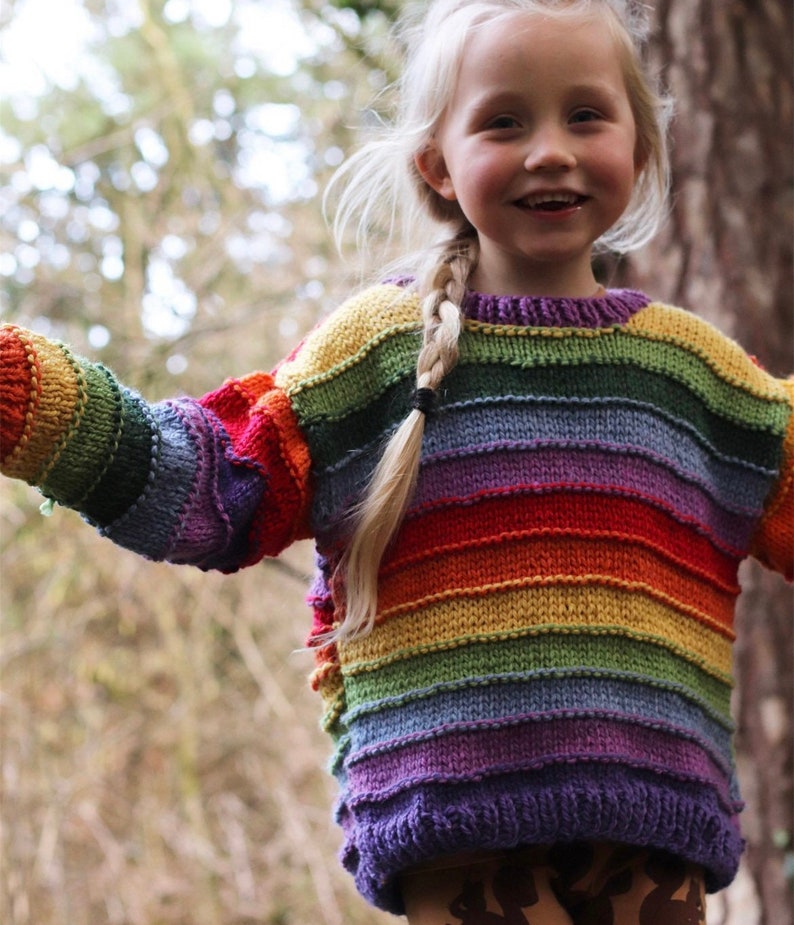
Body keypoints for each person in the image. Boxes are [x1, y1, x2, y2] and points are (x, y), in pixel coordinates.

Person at [1, 0, 792, 921]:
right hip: (457, 859)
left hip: (649, 857)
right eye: (504, 120)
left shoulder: (695, 375)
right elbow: (209, 485)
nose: (550, 149)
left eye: (586, 115)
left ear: (641, 147)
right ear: (437, 164)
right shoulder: (378, 350)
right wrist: (23, 397)